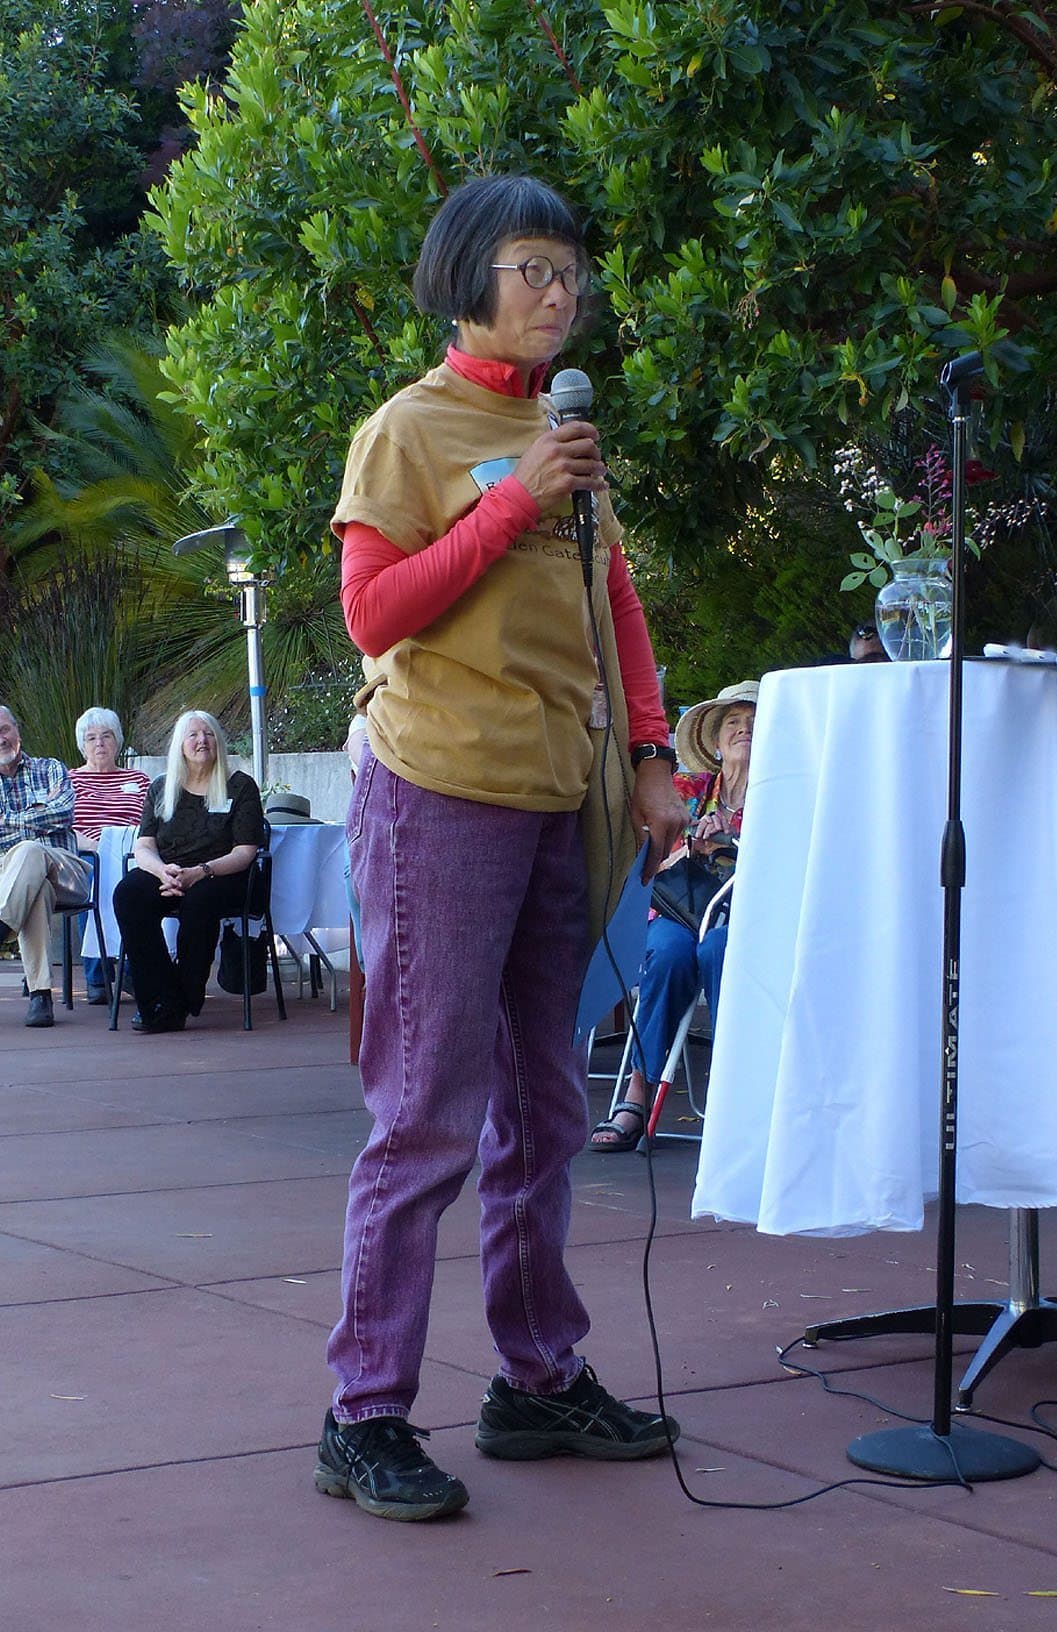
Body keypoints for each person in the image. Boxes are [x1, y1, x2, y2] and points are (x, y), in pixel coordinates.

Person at [316, 172, 686, 1523]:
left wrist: (651, 755)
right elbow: (372, 617)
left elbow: (620, 603)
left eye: (569, 270)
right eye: (532, 267)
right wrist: (511, 502)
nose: (559, 290)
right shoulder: (408, 432)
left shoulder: (564, 435)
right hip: (443, 789)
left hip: (560, 796)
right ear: (468, 278)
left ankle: (536, 1377)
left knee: (546, 1103)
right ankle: (363, 1413)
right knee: (425, 1114)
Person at [590, 681, 758, 1152]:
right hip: (680, 909)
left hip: (747, 918)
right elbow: (643, 858)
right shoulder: (688, 790)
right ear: (716, 740)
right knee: (666, 953)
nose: (743, 731)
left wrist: (735, 840)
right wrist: (690, 846)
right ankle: (636, 1094)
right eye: (733, 723)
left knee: (720, 949)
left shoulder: (780, 799)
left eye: (754, 724)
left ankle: (737, 1094)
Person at [112, 710, 263, 1034]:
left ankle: (181, 1000)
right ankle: (160, 999)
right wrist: (162, 871)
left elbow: (245, 852)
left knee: (200, 901)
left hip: (221, 874)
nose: (201, 741)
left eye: (208, 734)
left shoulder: (239, 786)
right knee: (129, 895)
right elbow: (144, 846)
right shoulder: (162, 787)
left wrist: (201, 871)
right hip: (170, 871)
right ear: (180, 745)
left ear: (219, 742)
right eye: (193, 735)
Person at [0, 704, 91, 1029]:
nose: (0, 739)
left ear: (17, 730)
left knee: (30, 853)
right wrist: (34, 821)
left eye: (5, 730)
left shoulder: (52, 769)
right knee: (35, 884)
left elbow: (63, 814)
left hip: (64, 871)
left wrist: (6, 824)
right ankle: (40, 996)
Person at [68, 707, 150, 1003]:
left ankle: (131, 968)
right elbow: (60, 827)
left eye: (106, 736)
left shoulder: (139, 780)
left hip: (132, 852)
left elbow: (153, 821)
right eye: (91, 738)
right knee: (96, 876)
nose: (99, 743)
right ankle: (98, 975)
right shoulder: (69, 780)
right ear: (82, 745)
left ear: (118, 741)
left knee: (139, 881)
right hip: (88, 853)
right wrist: (95, 846)